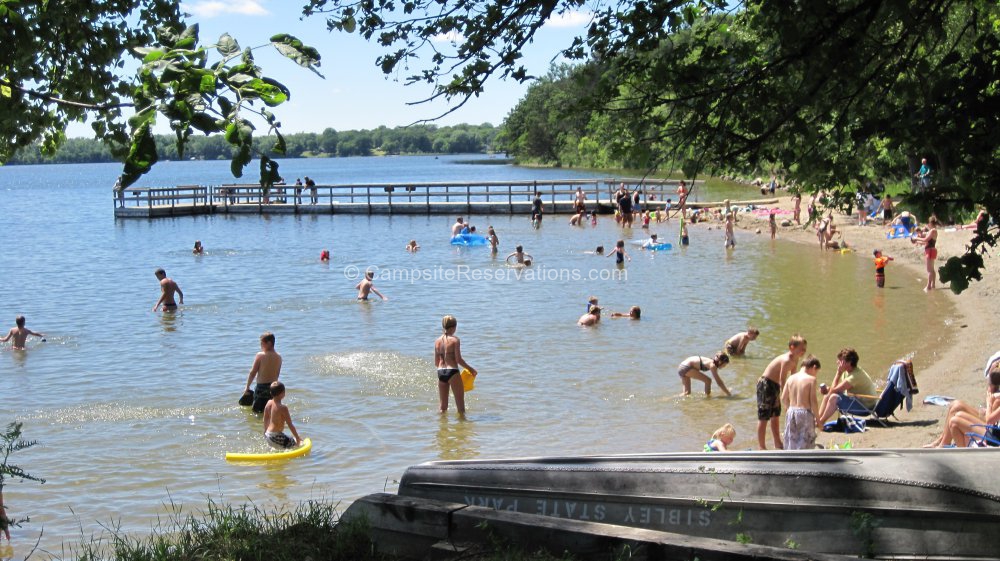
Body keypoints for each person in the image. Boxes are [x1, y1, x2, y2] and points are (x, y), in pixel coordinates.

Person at [924, 368, 1000, 447]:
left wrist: (989, 403)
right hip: (993, 429)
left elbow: (989, 421)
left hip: (994, 436)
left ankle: (945, 445)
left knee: (954, 420)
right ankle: (942, 441)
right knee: (957, 408)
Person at [756, 334, 808, 449]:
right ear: (792, 347)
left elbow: (793, 377)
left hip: (775, 386)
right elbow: (782, 379)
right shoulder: (786, 359)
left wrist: (795, 394)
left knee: (775, 415)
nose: (803, 351)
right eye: (801, 349)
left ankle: (777, 443)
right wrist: (786, 398)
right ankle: (762, 447)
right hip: (766, 384)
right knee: (764, 416)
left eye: (805, 349)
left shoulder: (796, 359)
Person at [815, 347, 877, 427]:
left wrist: (838, 373)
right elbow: (838, 389)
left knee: (833, 397)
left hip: (866, 408)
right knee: (829, 394)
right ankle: (818, 420)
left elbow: (834, 392)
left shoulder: (855, 376)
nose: (837, 362)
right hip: (858, 401)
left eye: (840, 361)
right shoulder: (849, 371)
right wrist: (828, 390)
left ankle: (821, 422)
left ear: (849, 362)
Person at [435, 315, 477, 414]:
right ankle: (462, 428)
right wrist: (471, 369)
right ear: (454, 327)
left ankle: (442, 428)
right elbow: (458, 359)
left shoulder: (437, 341)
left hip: (441, 372)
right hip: (452, 371)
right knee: (461, 408)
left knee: (443, 407)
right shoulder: (455, 340)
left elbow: (436, 362)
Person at [781, 356, 821, 450]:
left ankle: (791, 460)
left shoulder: (791, 378)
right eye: (816, 372)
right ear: (814, 367)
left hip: (791, 411)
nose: (815, 375)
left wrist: (788, 407)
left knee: (792, 439)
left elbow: (783, 398)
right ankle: (804, 461)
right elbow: (813, 402)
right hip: (805, 413)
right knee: (806, 440)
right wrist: (818, 421)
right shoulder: (811, 379)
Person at [243, 332, 283, 414]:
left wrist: (247, 387)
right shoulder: (279, 357)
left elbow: (253, 372)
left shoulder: (260, 355)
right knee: (270, 412)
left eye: (262, 343)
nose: (260, 346)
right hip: (274, 389)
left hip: (261, 388)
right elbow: (277, 374)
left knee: (257, 412)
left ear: (269, 343)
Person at [261, 381, 302, 449]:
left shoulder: (269, 403)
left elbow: (265, 419)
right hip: (275, 437)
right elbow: (290, 425)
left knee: (289, 439)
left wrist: (265, 432)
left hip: (268, 434)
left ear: (270, 393)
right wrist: (297, 438)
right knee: (295, 444)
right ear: (283, 394)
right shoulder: (283, 408)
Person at [911, 215, 939, 291]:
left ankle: (928, 286)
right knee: (932, 269)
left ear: (930, 223)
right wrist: (916, 241)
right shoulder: (933, 231)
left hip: (930, 251)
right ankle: (933, 285)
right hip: (931, 249)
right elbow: (926, 242)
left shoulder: (933, 230)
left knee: (929, 270)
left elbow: (925, 239)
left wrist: (916, 238)